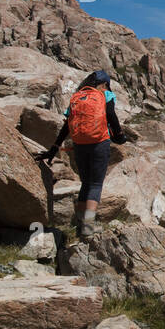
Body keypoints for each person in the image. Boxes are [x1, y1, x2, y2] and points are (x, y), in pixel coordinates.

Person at [40, 70, 126, 235]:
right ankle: (88, 227)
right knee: (95, 184)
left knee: (85, 183)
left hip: (79, 144)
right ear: (105, 84)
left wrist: (54, 148)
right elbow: (110, 114)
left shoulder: (78, 96)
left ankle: (80, 225)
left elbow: (67, 125)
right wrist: (120, 135)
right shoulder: (105, 95)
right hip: (99, 142)